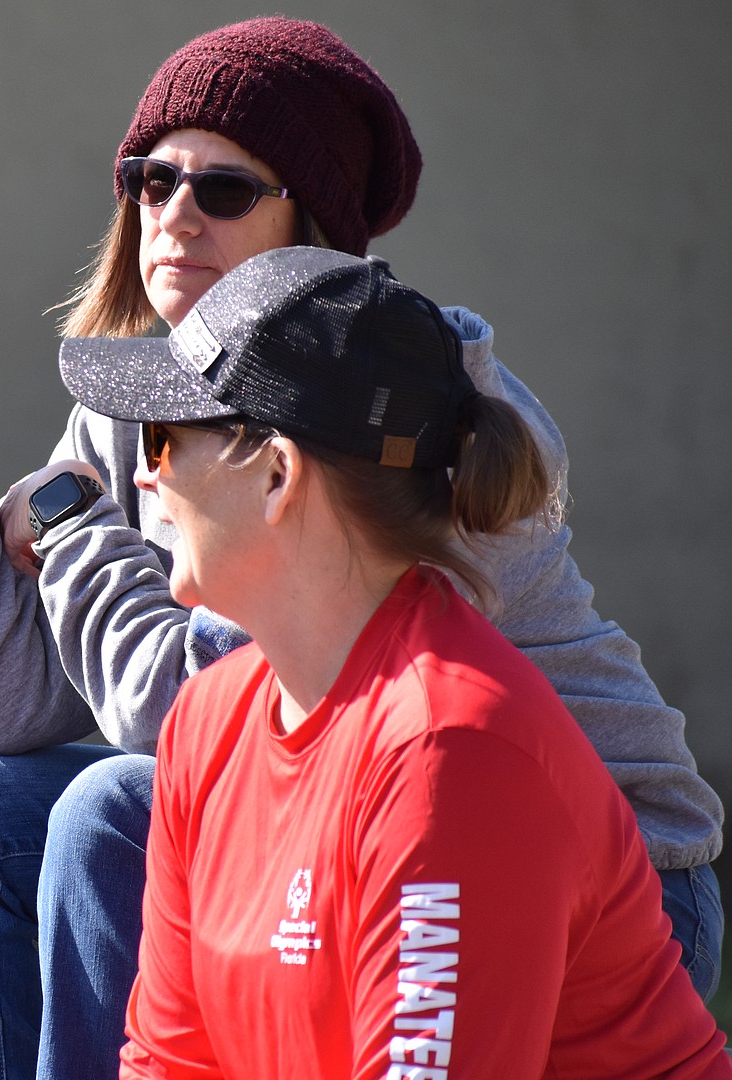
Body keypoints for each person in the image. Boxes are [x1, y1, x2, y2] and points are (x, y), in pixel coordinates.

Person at [0, 18, 724, 1080]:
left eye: (223, 190)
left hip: (589, 874)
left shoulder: (390, 407)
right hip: (331, 808)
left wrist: (71, 528)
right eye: (148, 178)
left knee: (116, 805)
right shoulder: (152, 389)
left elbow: (157, 711)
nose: (172, 215)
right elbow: (5, 711)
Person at [74, 243, 729, 1074]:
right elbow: (170, 1061)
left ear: (278, 474)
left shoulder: (448, 752)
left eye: (164, 439)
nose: (140, 473)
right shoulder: (208, 719)